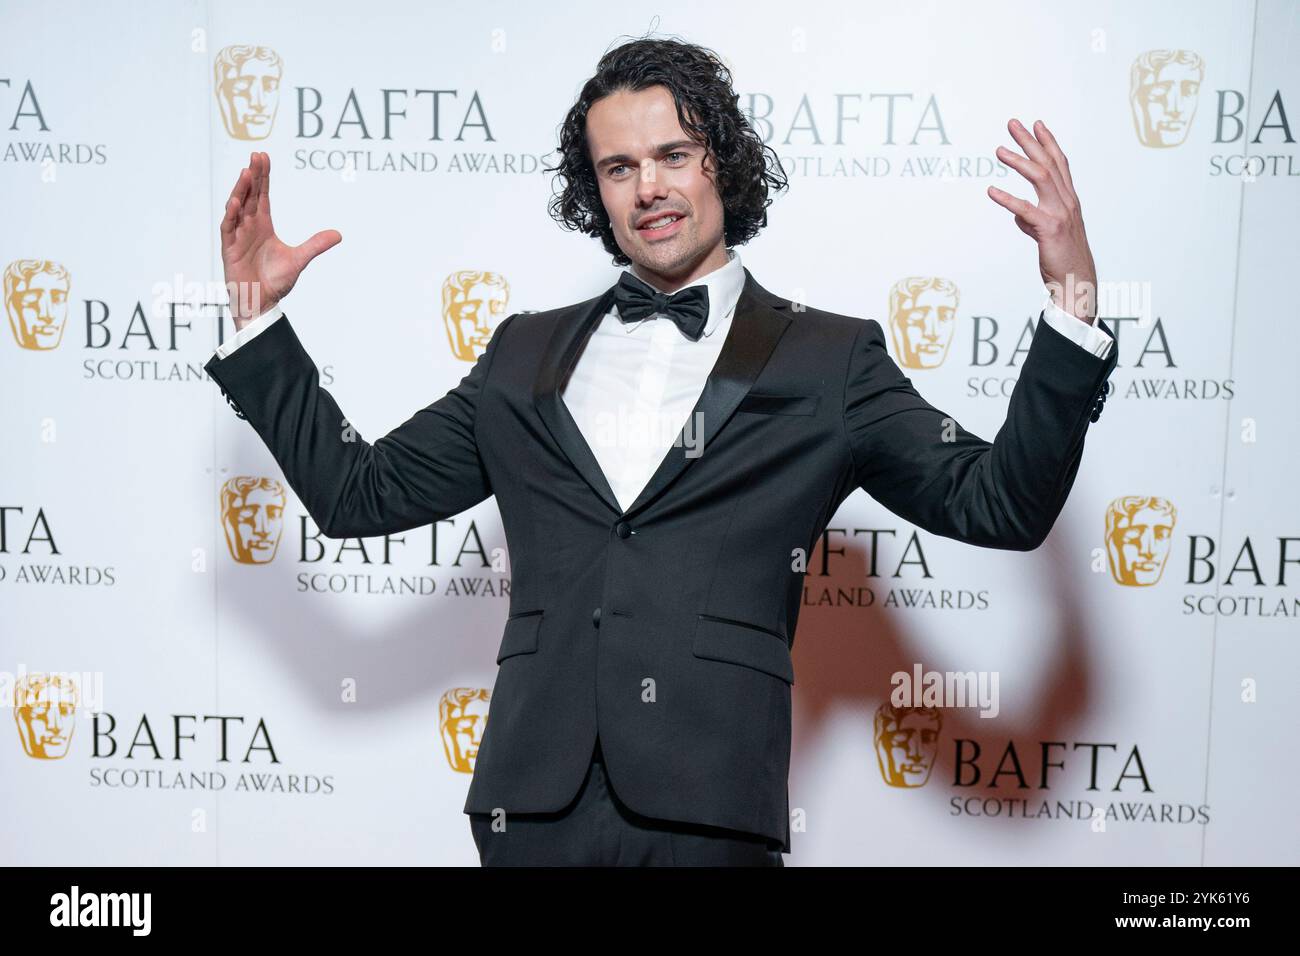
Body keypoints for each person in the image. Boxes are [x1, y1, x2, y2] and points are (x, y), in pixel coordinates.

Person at [205, 36, 1117, 866]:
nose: (648, 188)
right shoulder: (522, 352)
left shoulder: (831, 359)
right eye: (619, 167)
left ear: (721, 161)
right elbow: (360, 494)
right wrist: (259, 318)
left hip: (711, 815)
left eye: (674, 155)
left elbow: (1001, 503)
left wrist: (1070, 298)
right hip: (532, 813)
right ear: (593, 189)